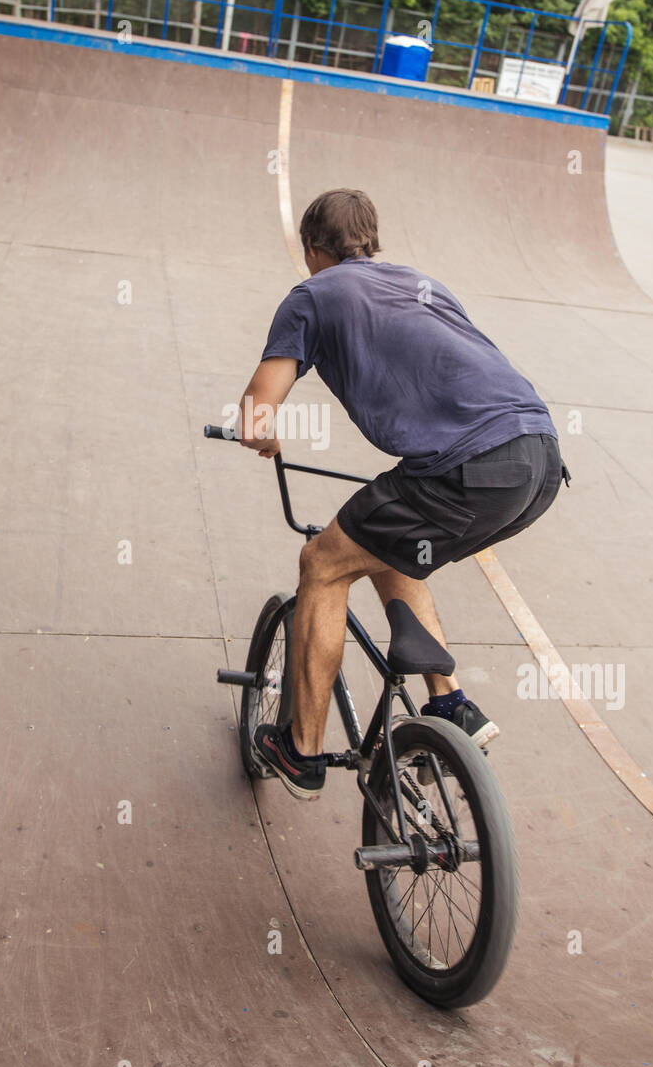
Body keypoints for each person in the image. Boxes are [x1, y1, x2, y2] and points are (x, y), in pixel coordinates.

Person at [236, 189, 569, 800]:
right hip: (540, 458)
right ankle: (452, 708)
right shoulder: (424, 283)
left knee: (324, 563)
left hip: (466, 465)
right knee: (390, 538)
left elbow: (256, 413)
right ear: (371, 240)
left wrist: (262, 439)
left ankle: (302, 750)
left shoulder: (311, 295)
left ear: (313, 248)